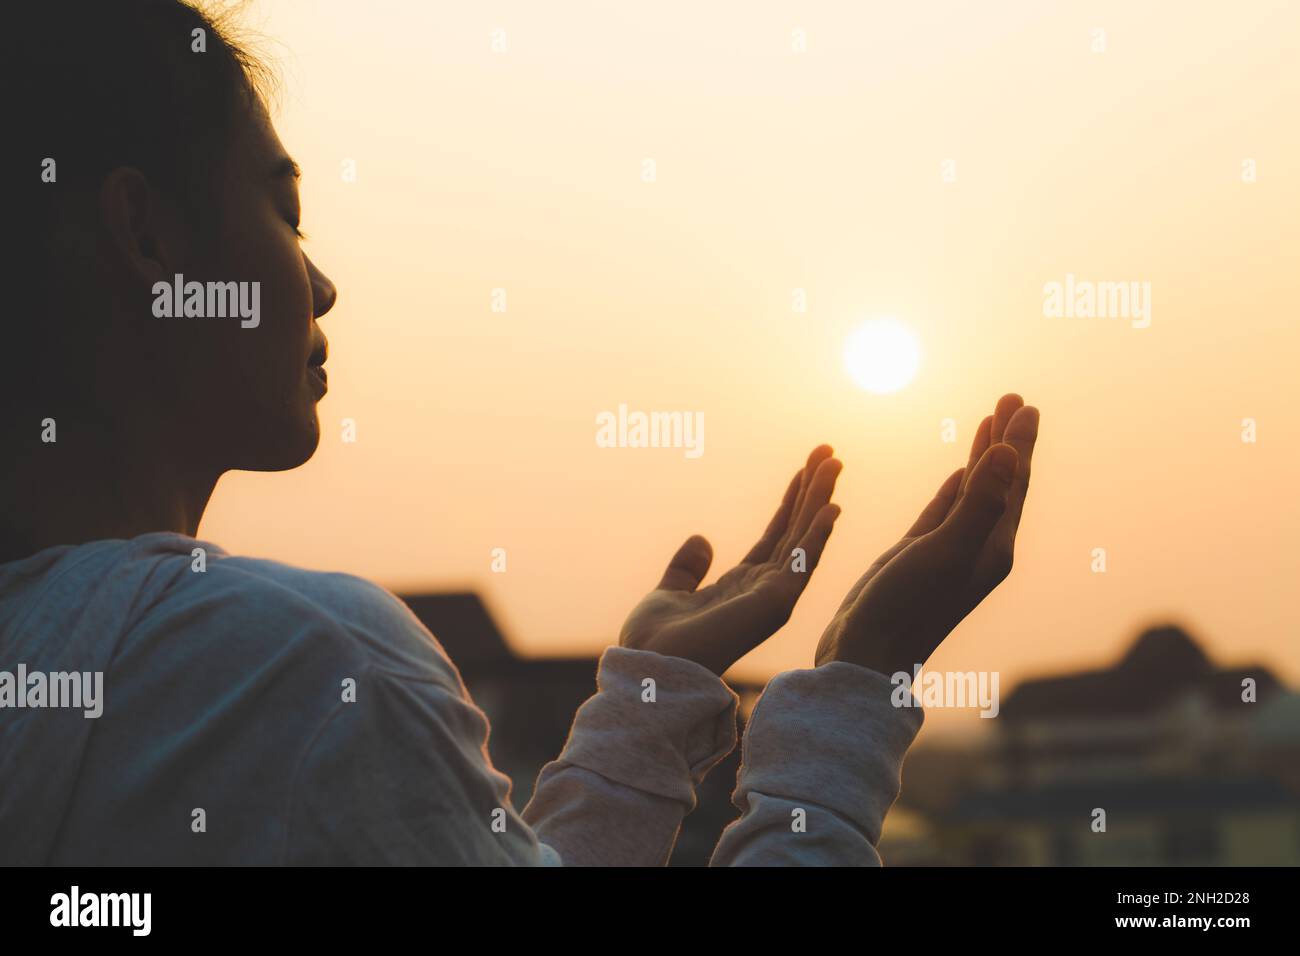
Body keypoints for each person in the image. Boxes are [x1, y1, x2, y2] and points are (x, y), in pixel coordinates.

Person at [0, 0, 1039, 865]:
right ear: (146, 234)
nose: (320, 282)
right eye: (286, 211)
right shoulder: (298, 675)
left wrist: (642, 712)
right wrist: (859, 682)